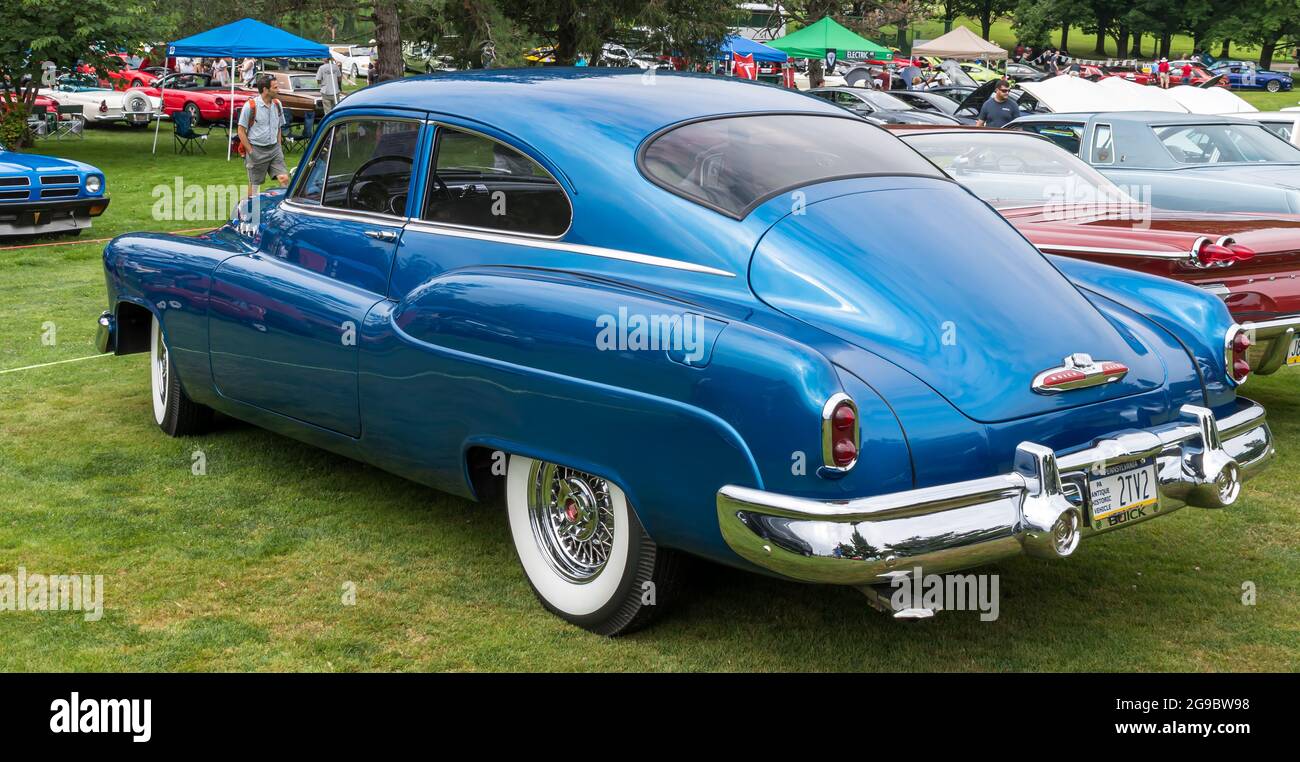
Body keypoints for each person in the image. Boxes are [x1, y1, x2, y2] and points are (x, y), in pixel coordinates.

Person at [237, 73, 290, 200]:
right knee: (254, 187)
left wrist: (278, 145)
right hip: (257, 150)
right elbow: (240, 131)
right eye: (275, 88)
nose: (278, 90)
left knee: (284, 178)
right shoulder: (250, 106)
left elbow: (278, 127)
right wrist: (250, 150)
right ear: (265, 90)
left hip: (275, 149)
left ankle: (284, 208)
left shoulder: (277, 104)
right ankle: (250, 213)